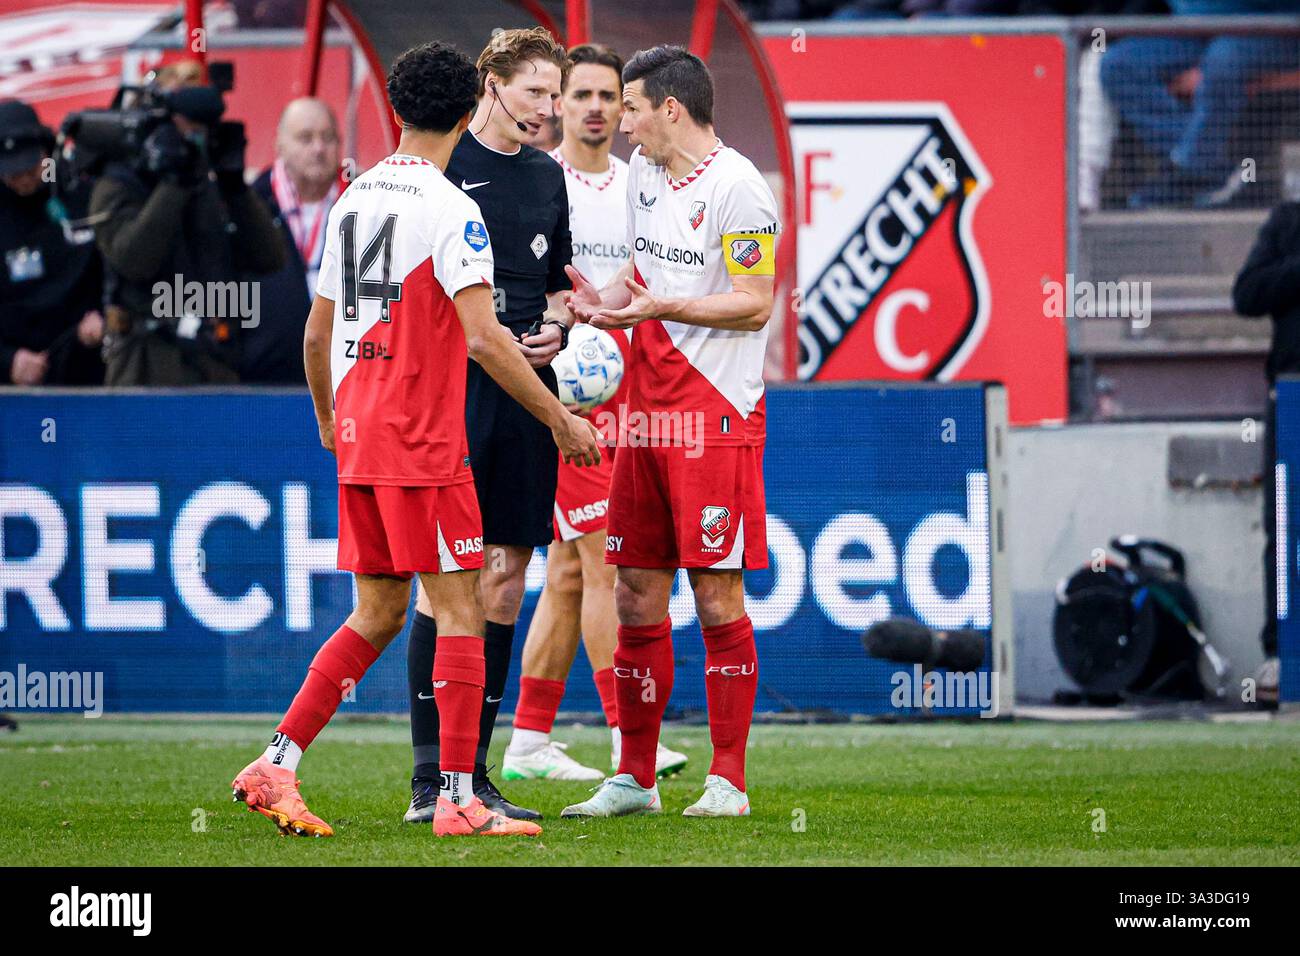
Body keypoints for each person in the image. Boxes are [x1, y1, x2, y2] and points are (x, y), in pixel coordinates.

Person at [227, 41, 599, 839]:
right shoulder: (450, 207)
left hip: (362, 429)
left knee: (381, 610)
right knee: (463, 608)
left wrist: (329, 418)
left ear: (396, 109)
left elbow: (316, 331)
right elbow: (487, 340)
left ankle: (278, 761)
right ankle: (459, 798)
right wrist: (560, 419)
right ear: (468, 113)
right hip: (423, 435)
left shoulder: (354, 198)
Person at [560, 46, 779, 819]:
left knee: (717, 596)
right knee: (634, 594)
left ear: (671, 110)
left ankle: (728, 782)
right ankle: (637, 778)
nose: (619, 121)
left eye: (630, 105)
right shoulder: (646, 178)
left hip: (715, 414)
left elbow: (754, 301)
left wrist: (657, 309)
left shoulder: (740, 189)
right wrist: (601, 304)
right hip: (645, 411)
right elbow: (644, 279)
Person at [402, 27, 577, 825]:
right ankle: (427, 776)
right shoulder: (442, 168)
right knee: (449, 582)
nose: (549, 109)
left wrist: (562, 327)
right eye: (536, 92)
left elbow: (556, 285)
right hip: (454, 391)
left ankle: (472, 773)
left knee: (506, 573)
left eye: (556, 94)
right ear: (491, 84)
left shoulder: (547, 176)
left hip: (525, 388)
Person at [501, 43, 687, 782]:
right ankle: (624, 738)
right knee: (607, 559)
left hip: (635, 391)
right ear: (558, 105)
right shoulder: (543, 182)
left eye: (609, 95)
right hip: (569, 395)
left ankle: (526, 741)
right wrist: (559, 320)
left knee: (572, 574)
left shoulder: (641, 181)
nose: (595, 108)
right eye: (579, 95)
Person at [90, 82, 284, 384]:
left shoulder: (211, 188)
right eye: (188, 130)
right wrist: (174, 183)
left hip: (213, 363)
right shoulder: (118, 186)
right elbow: (134, 260)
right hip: (144, 367)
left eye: (205, 130)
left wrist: (235, 186)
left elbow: (269, 258)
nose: (197, 140)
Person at [1100, 0, 1298, 209]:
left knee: (1223, 62)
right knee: (1118, 64)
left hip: (1272, 27)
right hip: (1193, 32)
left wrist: (1206, 73)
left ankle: (1191, 170)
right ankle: (1209, 167)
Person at [1232, 195, 1300, 706]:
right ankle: (1282, 648)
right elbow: (1247, 294)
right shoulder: (1287, 221)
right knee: (1285, 524)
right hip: (1293, 391)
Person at [0, 99, 104, 386]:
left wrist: (103, 316)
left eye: (31, 169)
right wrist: (8, 360)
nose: (23, 181)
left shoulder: (80, 194)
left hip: (84, 358)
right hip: (17, 376)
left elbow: (115, 265)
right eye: (12, 174)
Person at [246, 98, 344, 383]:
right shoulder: (249, 205)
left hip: (342, 386)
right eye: (305, 138)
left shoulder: (362, 203)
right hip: (262, 388)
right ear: (280, 144)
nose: (318, 148)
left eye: (328, 138)